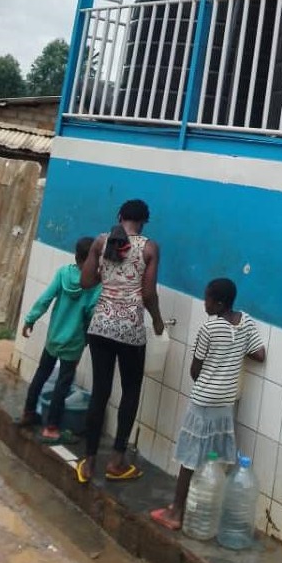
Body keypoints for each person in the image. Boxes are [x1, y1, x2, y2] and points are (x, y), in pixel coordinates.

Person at [150, 278, 265, 530]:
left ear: (219, 304)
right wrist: (236, 349)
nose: (205, 303)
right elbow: (260, 354)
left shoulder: (208, 328)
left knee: (190, 457)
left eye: (208, 299)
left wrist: (217, 361)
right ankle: (204, 508)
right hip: (225, 401)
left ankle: (176, 512)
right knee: (213, 456)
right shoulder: (245, 322)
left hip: (203, 401)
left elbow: (195, 370)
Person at [76, 199, 164, 483]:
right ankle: (116, 461)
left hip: (101, 325)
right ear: (144, 221)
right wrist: (158, 320)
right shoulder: (150, 248)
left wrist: (107, 273)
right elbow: (148, 294)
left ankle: (89, 462)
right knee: (130, 391)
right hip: (130, 330)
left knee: (100, 392)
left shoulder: (102, 242)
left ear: (119, 216)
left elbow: (86, 282)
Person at [17, 236, 101, 444]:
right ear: (94, 259)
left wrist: (30, 319)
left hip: (53, 337)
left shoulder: (63, 273)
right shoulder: (95, 285)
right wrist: (88, 339)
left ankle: (28, 412)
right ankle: (52, 427)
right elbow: (91, 315)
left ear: (75, 255)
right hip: (73, 342)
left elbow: (45, 299)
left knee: (41, 374)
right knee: (63, 385)